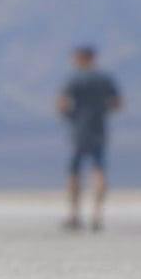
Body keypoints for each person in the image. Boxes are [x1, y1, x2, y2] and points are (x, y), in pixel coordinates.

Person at [58, 45, 123, 232]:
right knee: (99, 170)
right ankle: (97, 215)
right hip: (99, 130)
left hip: (79, 131)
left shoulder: (75, 79)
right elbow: (117, 104)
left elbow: (62, 104)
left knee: (74, 172)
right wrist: (101, 111)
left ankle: (74, 215)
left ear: (81, 58)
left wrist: (71, 117)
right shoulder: (105, 79)